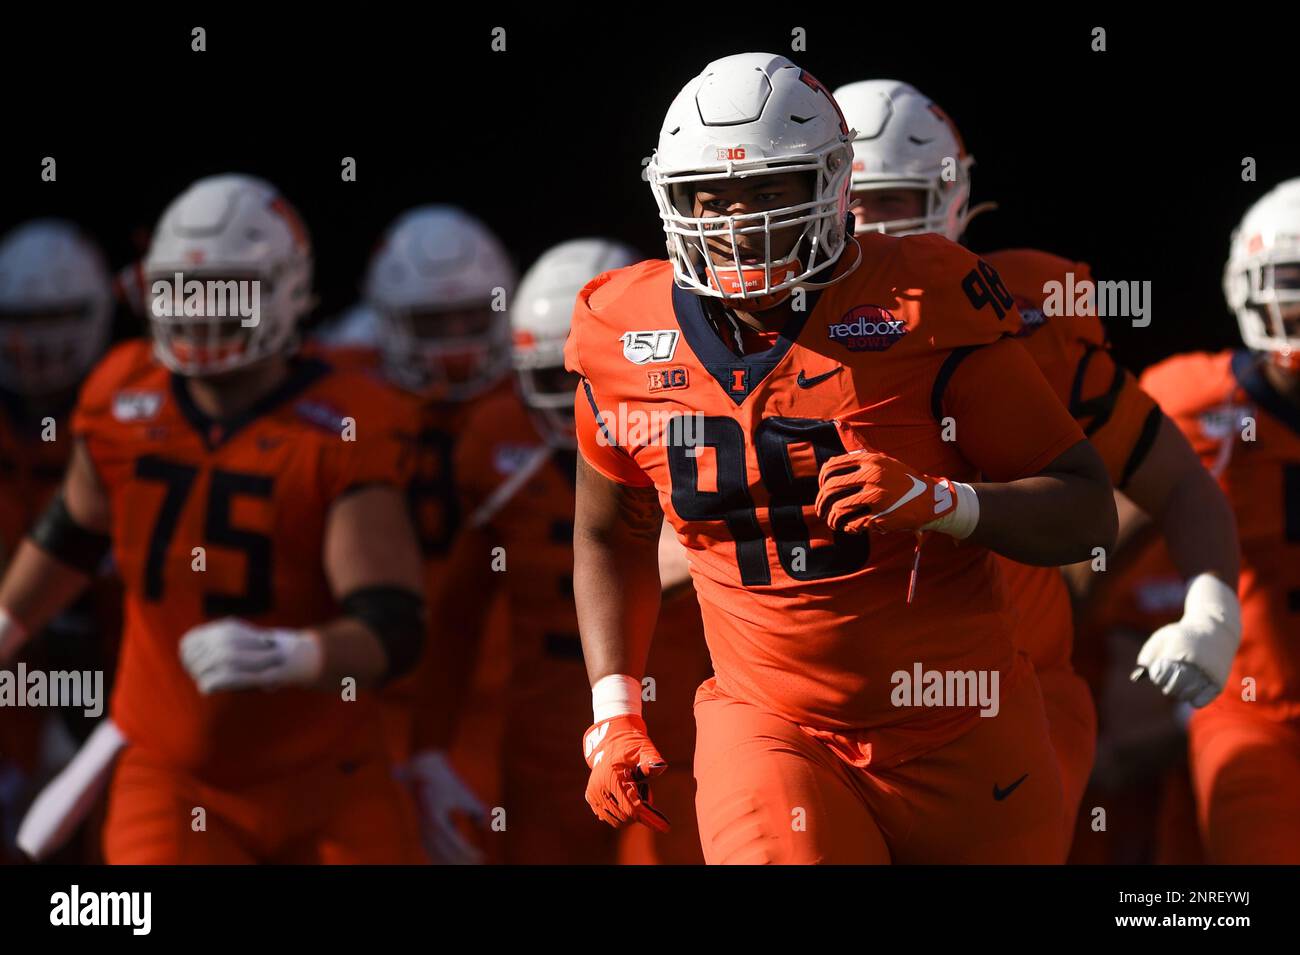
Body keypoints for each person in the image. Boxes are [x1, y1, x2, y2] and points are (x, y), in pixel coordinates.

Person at [568, 53, 1116, 864]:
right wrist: (613, 707)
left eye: (769, 191)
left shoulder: (923, 299)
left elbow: (1084, 507)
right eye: (710, 198)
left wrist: (944, 502)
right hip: (773, 724)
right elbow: (608, 531)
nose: (736, 222)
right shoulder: (621, 329)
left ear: (832, 185)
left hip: (963, 724)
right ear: (670, 200)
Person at [833, 78, 1241, 848]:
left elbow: (1175, 479)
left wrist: (1212, 611)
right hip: (830, 717)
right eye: (850, 198)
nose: (866, 225)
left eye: (889, 199)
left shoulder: (1026, 320)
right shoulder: (762, 339)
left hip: (1009, 697)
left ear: (951, 198)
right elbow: (647, 530)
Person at [0, 174, 428, 863]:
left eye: (227, 292)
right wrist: (7, 626)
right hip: (174, 775)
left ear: (287, 291)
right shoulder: (123, 392)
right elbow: (73, 533)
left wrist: (293, 654)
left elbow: (392, 624)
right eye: (181, 290)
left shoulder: (340, 422)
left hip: (327, 778)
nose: (199, 313)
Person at [1139, 178, 1300, 862]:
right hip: (1257, 714)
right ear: (1248, 287)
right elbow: (1079, 543)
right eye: (1294, 280)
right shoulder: (1195, 404)